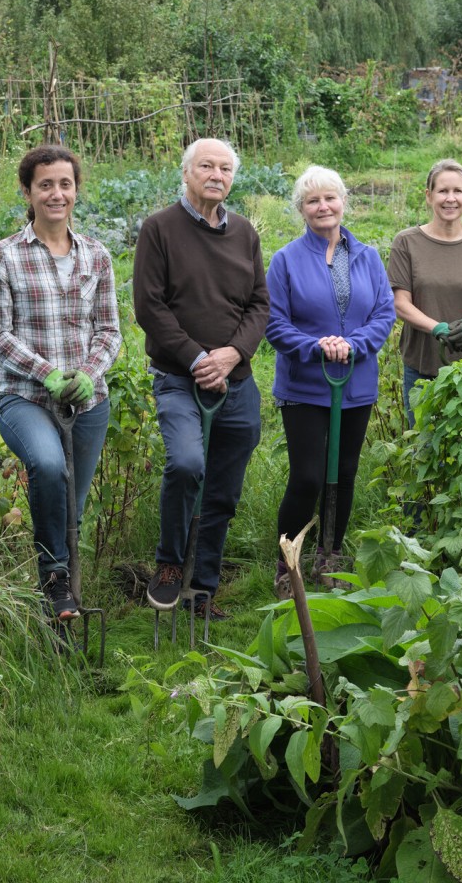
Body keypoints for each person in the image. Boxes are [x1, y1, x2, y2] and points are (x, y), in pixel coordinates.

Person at [0, 146, 121, 620]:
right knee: (47, 464)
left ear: (76, 190)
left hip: (88, 401)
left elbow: (109, 331)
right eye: (45, 185)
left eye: (65, 184)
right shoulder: (2, 256)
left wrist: (87, 374)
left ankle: (62, 608)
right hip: (25, 397)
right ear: (27, 191)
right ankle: (55, 579)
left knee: (70, 512)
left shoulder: (97, 257)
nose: (56, 193)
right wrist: (49, 373)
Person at [135, 137, 269, 620]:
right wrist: (197, 359)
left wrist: (233, 354)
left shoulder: (245, 234)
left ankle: (203, 588)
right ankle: (170, 565)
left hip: (236, 383)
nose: (217, 175)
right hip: (178, 378)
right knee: (189, 464)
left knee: (223, 491)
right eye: (207, 166)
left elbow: (260, 304)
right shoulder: (159, 230)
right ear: (187, 172)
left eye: (226, 168)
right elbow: (148, 306)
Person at [265, 166, 394, 597]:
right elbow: (274, 323)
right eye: (312, 201)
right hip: (306, 384)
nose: (323, 207)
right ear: (301, 209)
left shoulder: (368, 256)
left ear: (343, 202)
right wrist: (317, 346)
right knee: (307, 476)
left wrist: (352, 344)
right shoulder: (285, 260)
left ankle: (330, 556)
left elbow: (384, 313)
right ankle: (288, 564)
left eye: (330, 198)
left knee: (346, 471)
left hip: (354, 384)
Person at [387, 158, 462, 421]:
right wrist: (435, 327)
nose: (450, 199)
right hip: (423, 365)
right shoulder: (407, 243)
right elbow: (400, 302)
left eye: (457, 191)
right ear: (429, 196)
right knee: (424, 445)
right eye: (442, 191)